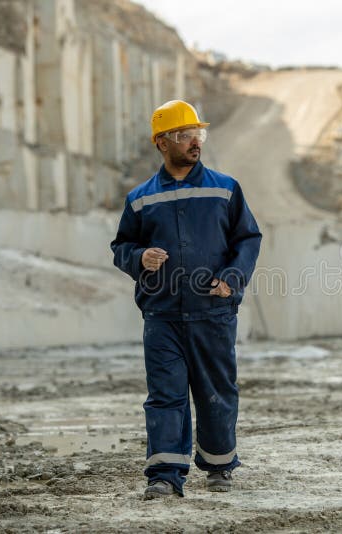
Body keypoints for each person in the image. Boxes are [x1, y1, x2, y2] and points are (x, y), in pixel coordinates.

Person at [110, 100, 261, 498]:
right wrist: (139, 257)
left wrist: (233, 278)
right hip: (162, 315)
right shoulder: (140, 198)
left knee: (216, 392)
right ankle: (164, 475)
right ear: (162, 142)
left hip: (213, 311)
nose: (195, 142)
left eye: (199, 134)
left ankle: (218, 466)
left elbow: (247, 239)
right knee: (165, 395)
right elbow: (122, 245)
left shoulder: (224, 189)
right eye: (184, 135)